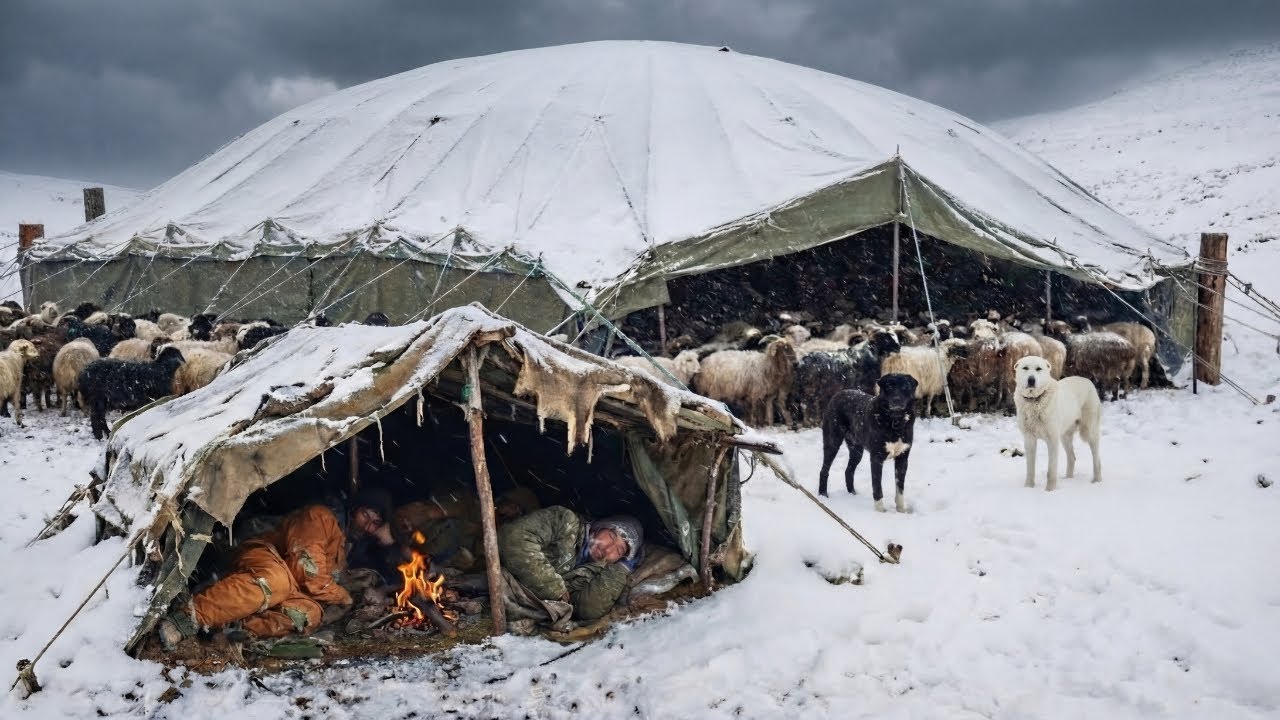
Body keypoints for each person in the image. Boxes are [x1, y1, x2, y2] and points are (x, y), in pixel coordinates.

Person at [156, 491, 395, 648]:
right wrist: (341, 596)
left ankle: (232, 630)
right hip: (267, 557)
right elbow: (306, 569)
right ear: (354, 509)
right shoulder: (321, 517)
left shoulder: (342, 548)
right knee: (276, 581)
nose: (367, 525)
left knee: (309, 614)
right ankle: (184, 620)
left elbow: (314, 581)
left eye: (374, 522)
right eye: (365, 515)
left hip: (293, 585)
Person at [498, 506, 643, 627]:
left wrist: (621, 569)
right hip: (497, 579)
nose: (608, 549)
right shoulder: (566, 521)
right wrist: (553, 588)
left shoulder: (600, 572)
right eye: (611, 536)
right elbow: (514, 539)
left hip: (517, 609)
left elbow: (588, 610)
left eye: (619, 551)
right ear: (598, 528)